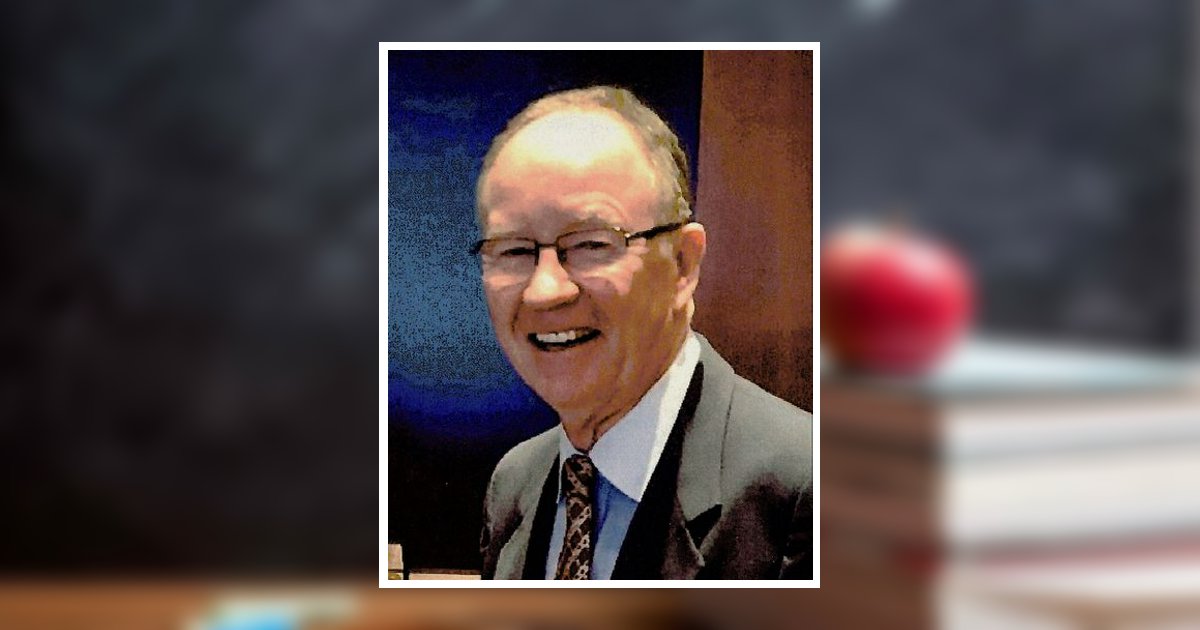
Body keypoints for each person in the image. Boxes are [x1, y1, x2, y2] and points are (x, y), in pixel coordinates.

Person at [474, 86, 812, 580]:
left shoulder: (807, 493)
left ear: (682, 264)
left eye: (591, 244)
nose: (545, 291)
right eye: (513, 250)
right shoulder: (514, 485)